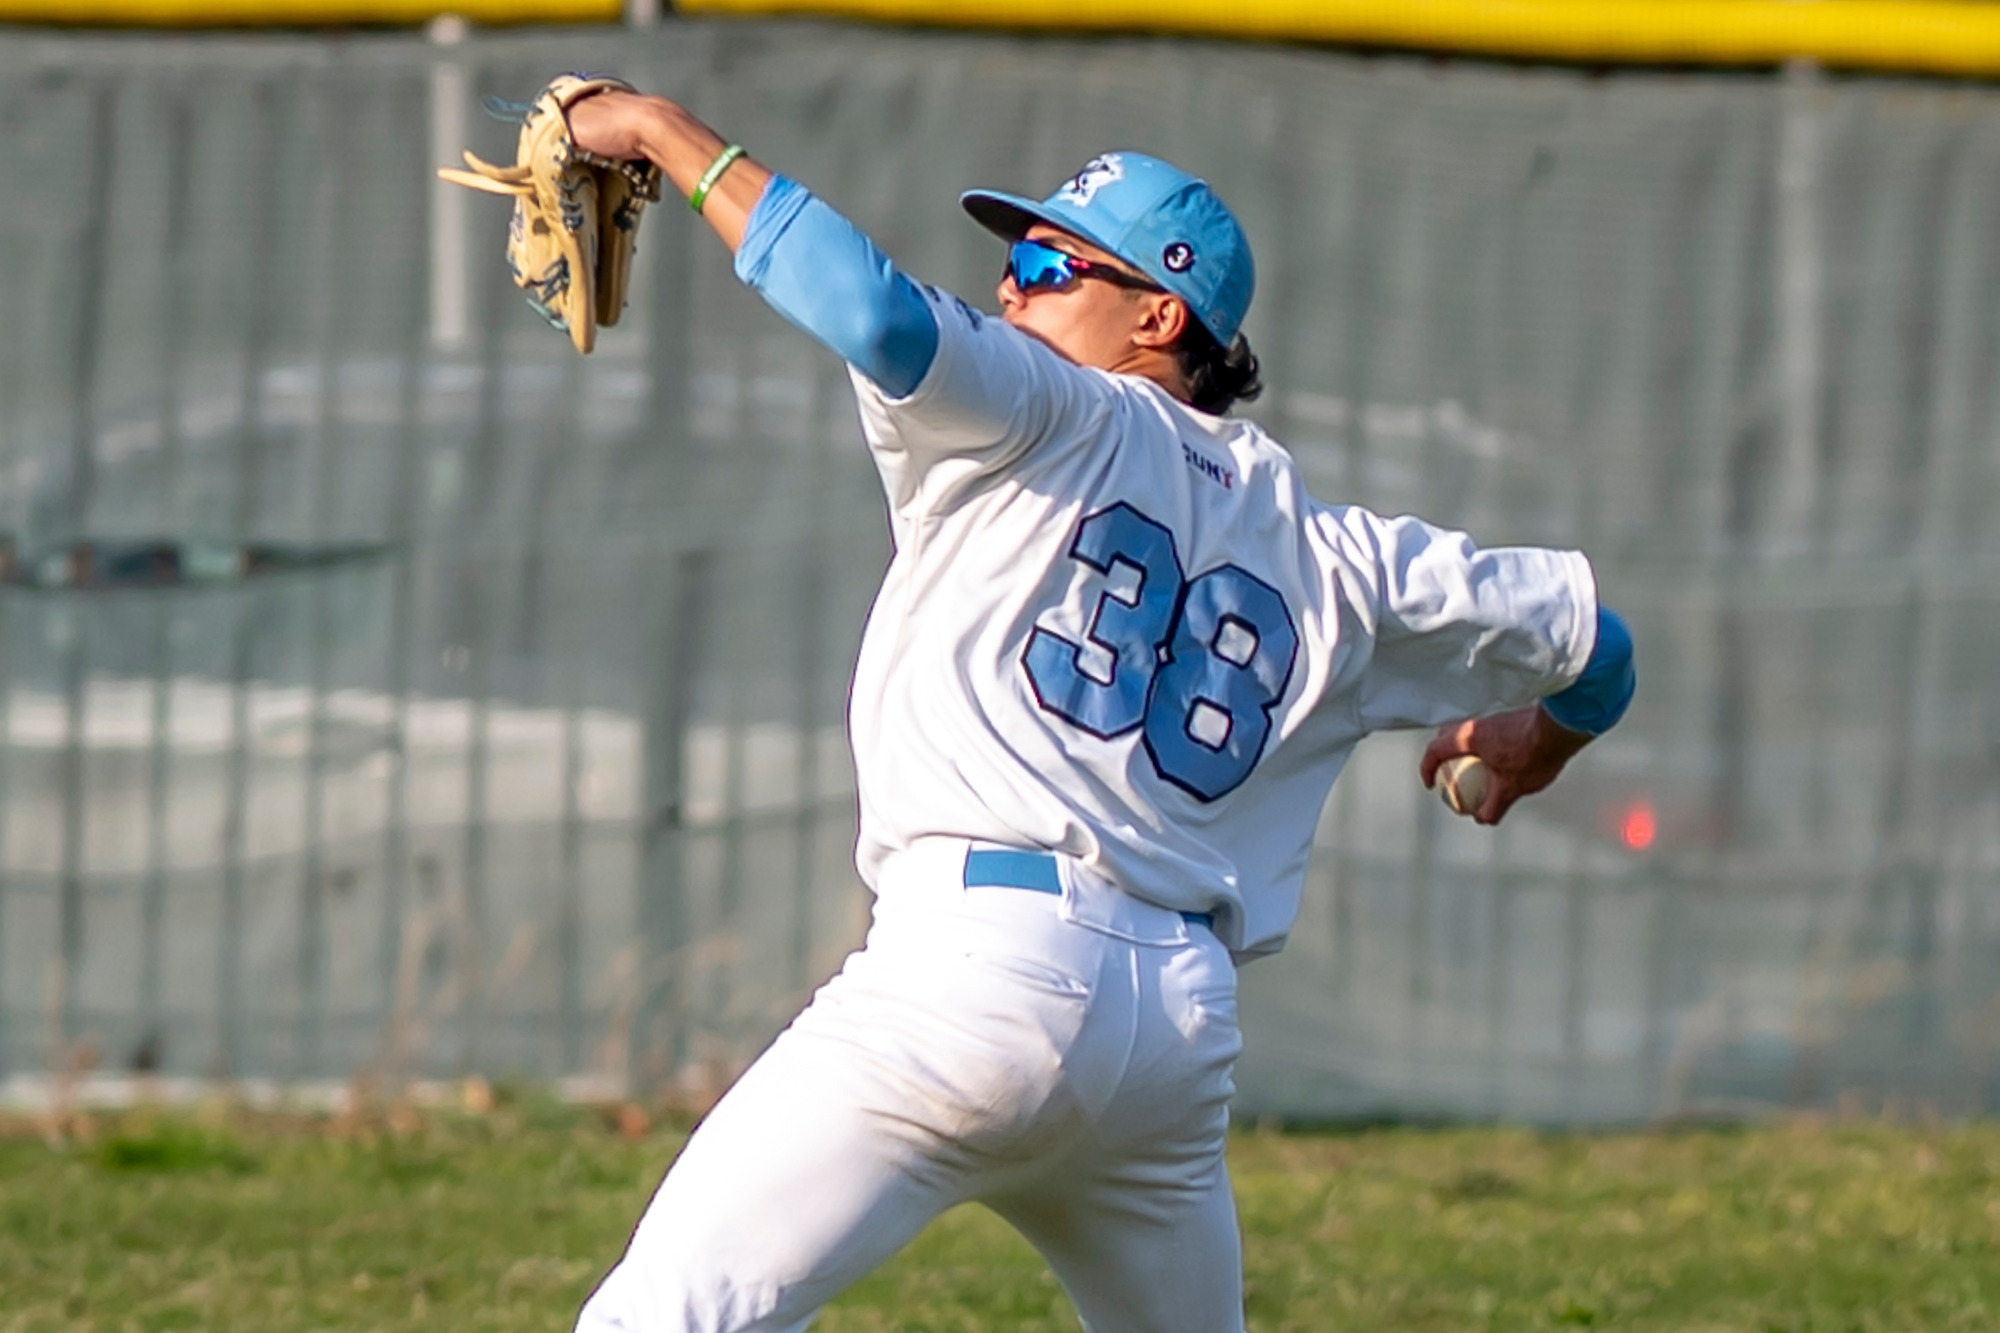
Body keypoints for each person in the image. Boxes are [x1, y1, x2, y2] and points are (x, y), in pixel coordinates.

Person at [562, 86, 1637, 1333]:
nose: (1009, 289)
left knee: (668, 1315)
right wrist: (1529, 745)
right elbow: (1597, 649)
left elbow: (864, 307)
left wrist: (657, 132)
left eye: (1046, 262)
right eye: (1009, 261)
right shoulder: (1342, 557)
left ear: (1156, 315)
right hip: (1171, 1036)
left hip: (973, 980)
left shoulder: (1045, 409)